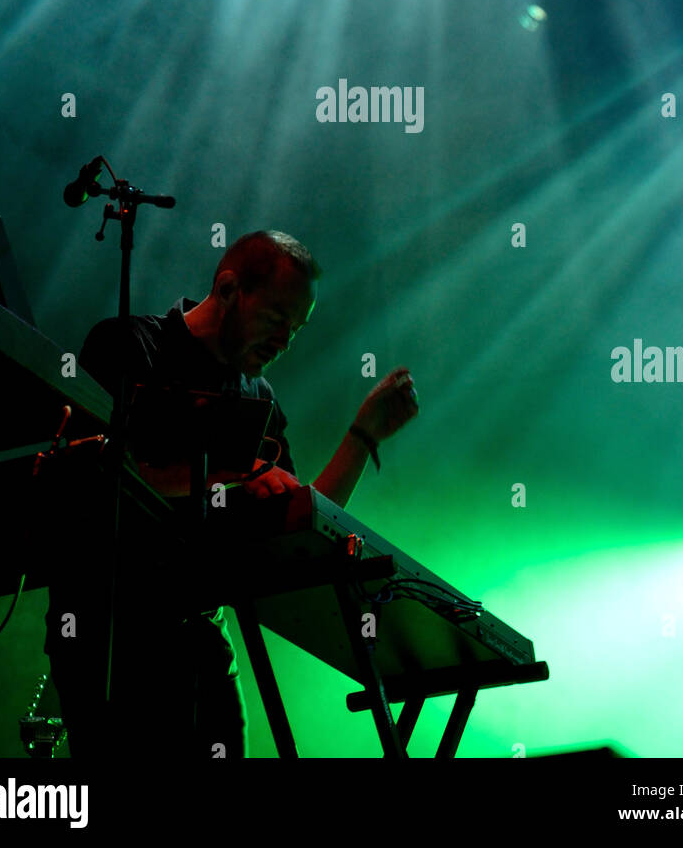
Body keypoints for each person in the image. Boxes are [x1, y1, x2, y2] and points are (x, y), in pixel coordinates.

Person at [42, 229, 418, 758]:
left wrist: (362, 436)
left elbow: (300, 518)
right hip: (109, 632)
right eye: (275, 318)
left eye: (297, 329)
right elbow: (94, 473)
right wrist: (230, 475)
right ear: (227, 288)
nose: (285, 339)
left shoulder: (257, 394)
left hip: (200, 637)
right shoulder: (130, 345)